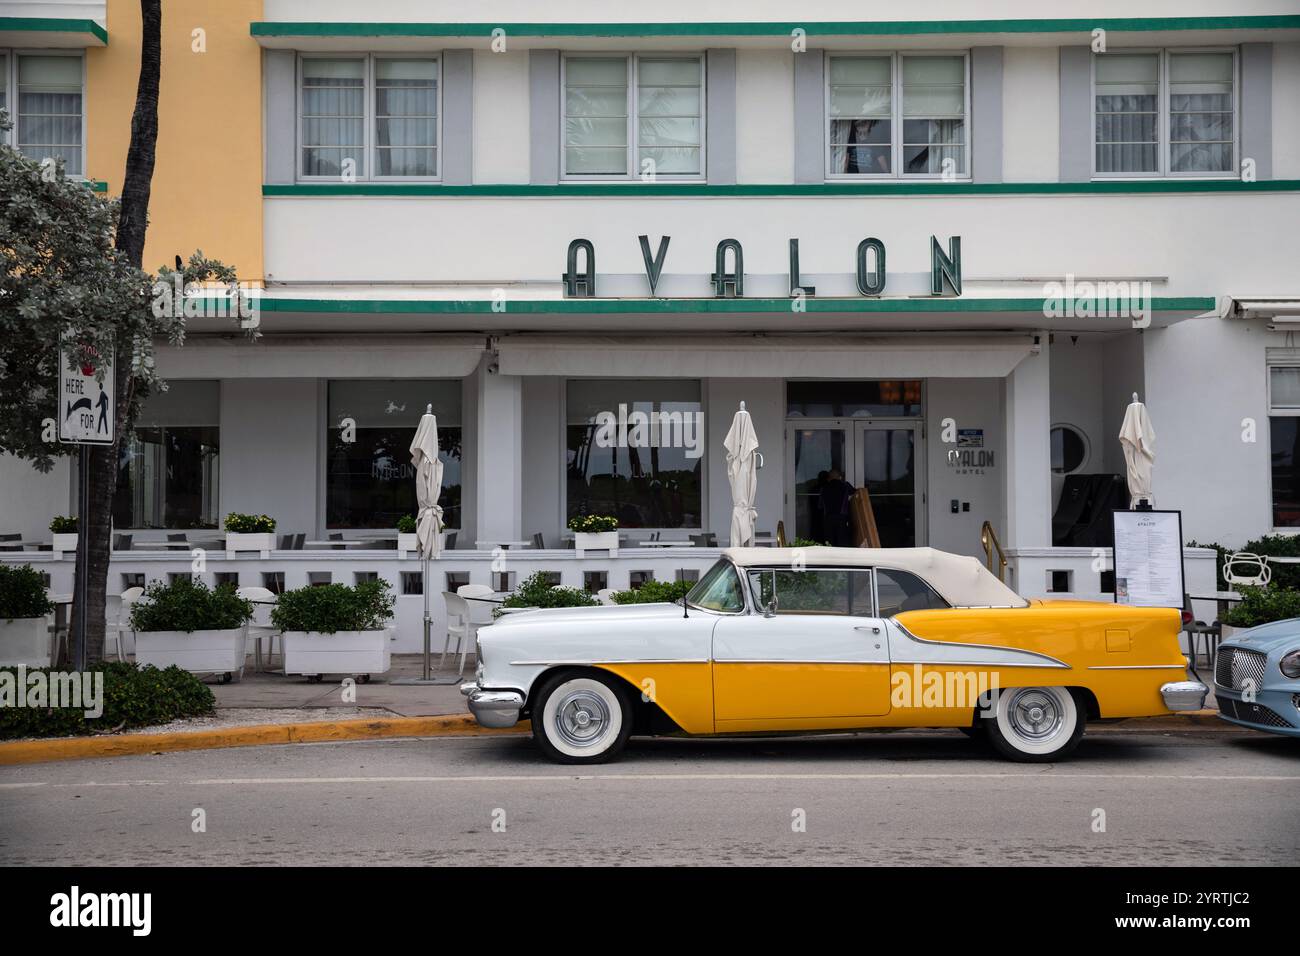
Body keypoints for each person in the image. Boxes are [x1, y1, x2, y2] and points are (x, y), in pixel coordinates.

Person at [819, 468, 855, 546]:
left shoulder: (824, 488)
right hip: (841, 518)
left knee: (829, 542)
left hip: (828, 518)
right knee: (842, 542)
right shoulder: (845, 485)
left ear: (829, 478)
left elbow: (820, 505)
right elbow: (855, 493)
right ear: (839, 477)